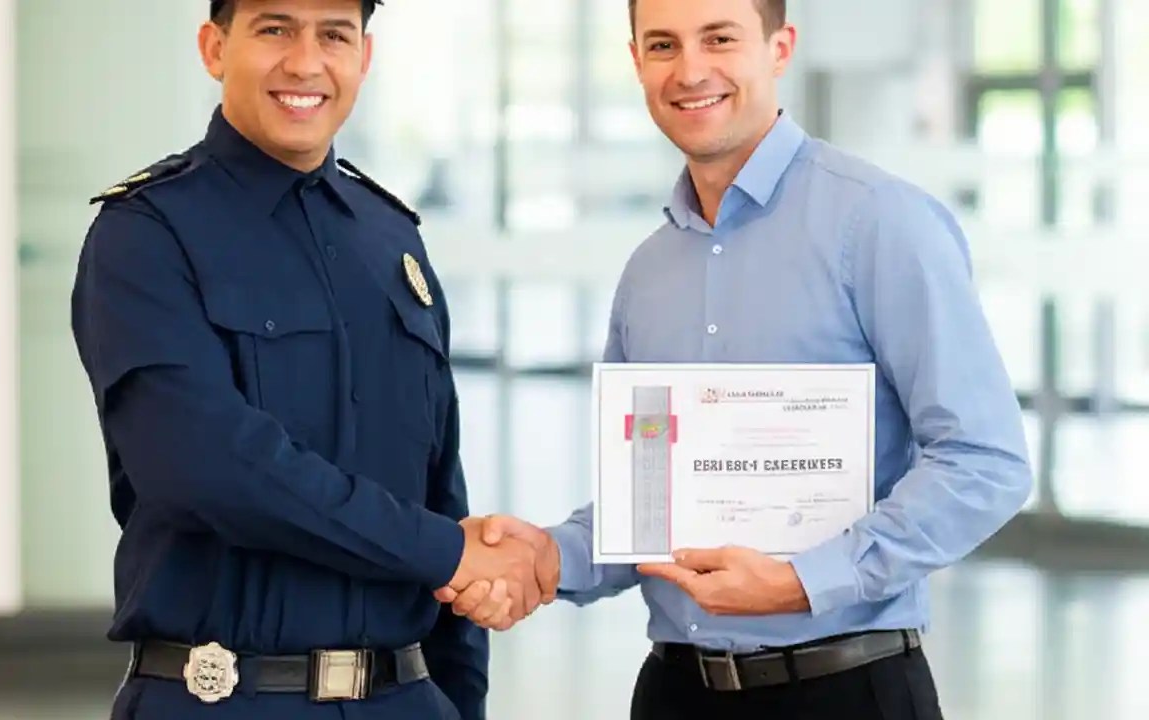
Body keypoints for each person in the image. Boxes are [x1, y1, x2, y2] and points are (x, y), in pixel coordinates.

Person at [436, 0, 1034, 718]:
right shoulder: (648, 273)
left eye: (719, 39)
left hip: (846, 693)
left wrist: (805, 580)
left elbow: (985, 462)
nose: (690, 71)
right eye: (663, 45)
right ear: (636, 62)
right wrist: (546, 557)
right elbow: (648, 505)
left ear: (780, 48)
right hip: (675, 693)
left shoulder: (880, 222)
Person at [70, 1, 542, 718]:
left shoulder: (393, 241)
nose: (305, 62)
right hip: (227, 701)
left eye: (334, 35)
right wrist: (444, 550)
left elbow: (441, 487)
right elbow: (210, 469)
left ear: (364, 56)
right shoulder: (146, 236)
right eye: (274, 29)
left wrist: (461, 698)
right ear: (213, 46)